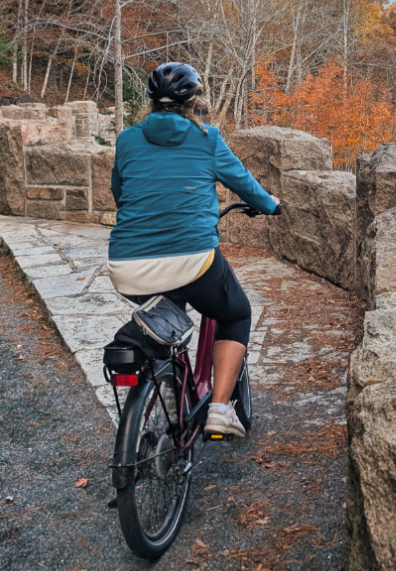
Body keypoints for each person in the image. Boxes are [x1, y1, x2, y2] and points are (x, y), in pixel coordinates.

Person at [106, 62, 280, 438]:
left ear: (150, 101)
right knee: (236, 313)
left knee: (166, 309)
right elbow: (246, 186)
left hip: (127, 266)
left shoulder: (127, 140)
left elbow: (121, 195)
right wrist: (270, 205)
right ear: (194, 101)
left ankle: (166, 392)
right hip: (192, 258)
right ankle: (218, 409)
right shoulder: (207, 138)